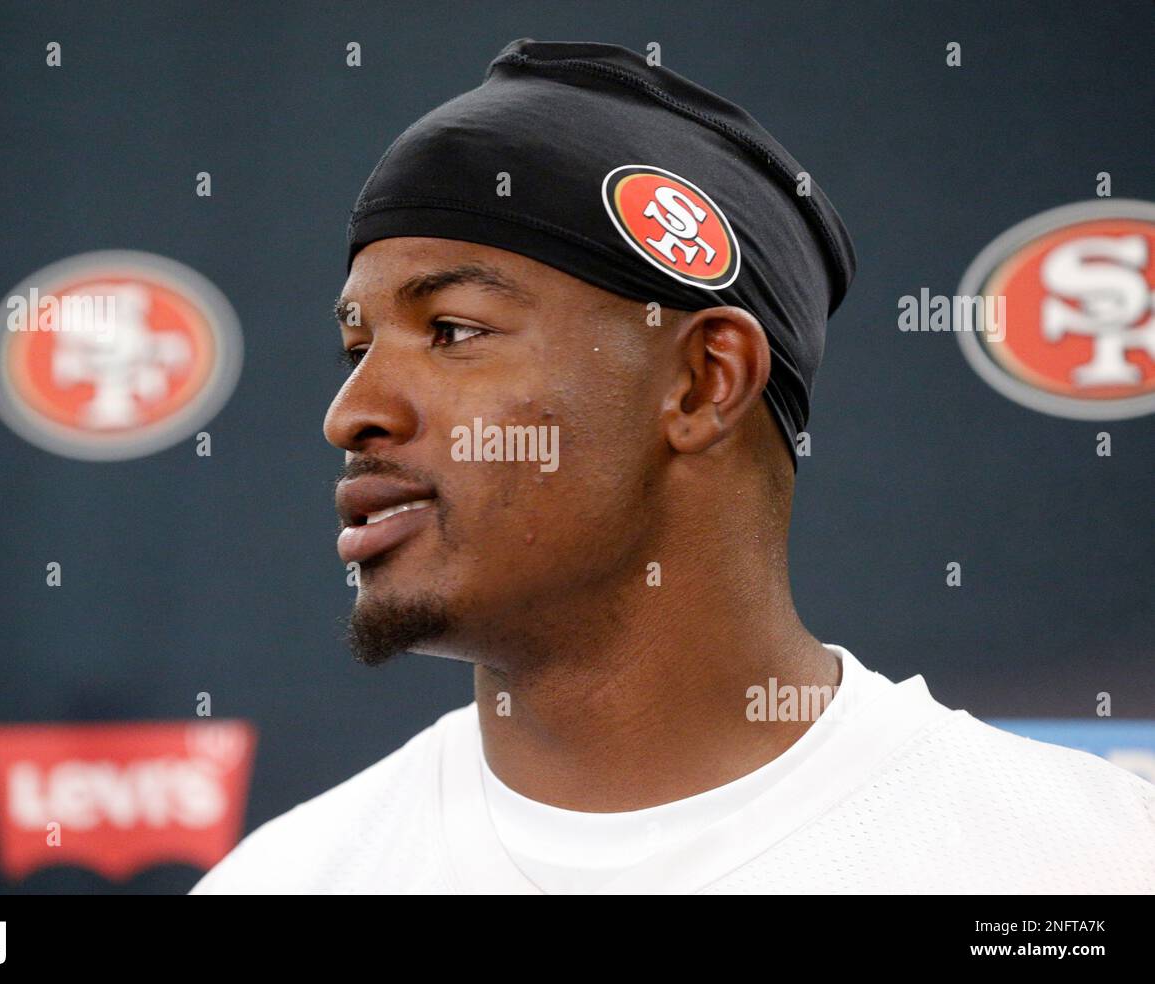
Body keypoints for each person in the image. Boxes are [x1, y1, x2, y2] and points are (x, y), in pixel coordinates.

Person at [192, 39, 1154, 894]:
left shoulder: (1086, 868)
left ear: (702, 384)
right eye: (356, 349)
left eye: (451, 331)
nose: (351, 413)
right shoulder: (288, 876)